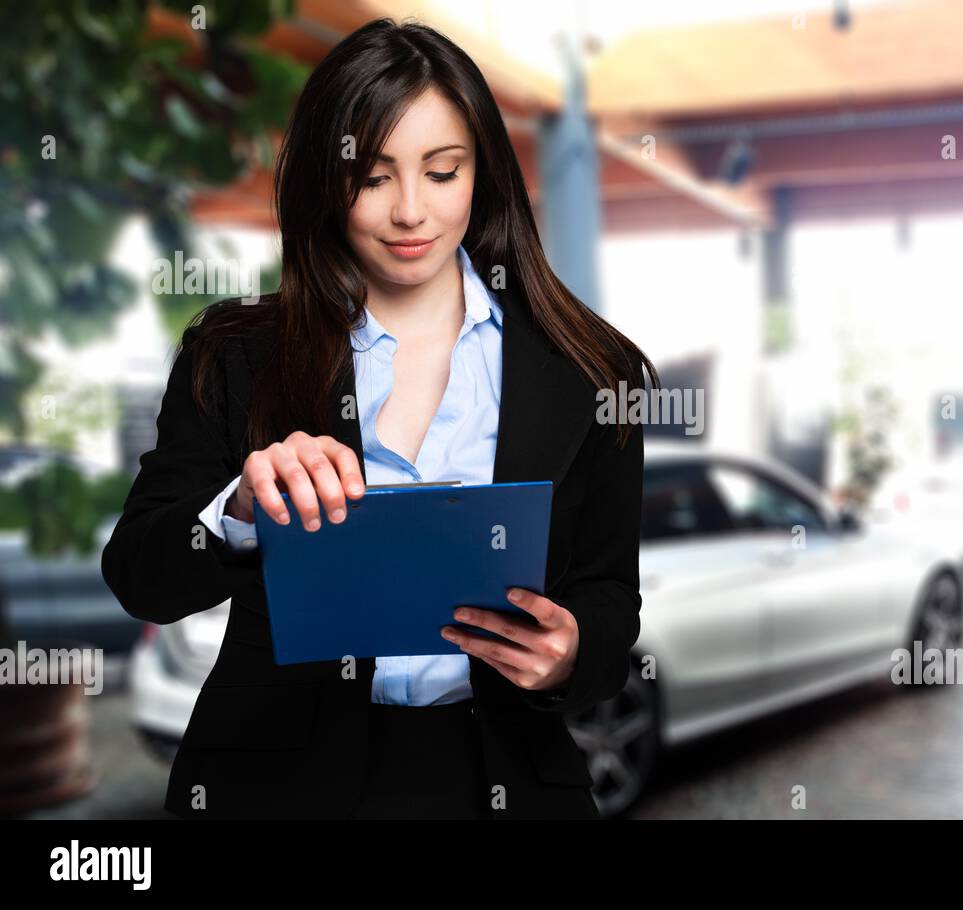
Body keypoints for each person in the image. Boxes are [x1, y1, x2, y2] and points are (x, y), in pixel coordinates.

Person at [101, 17, 656, 820]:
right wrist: (240, 508)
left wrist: (570, 654)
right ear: (329, 181)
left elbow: (610, 604)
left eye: (441, 172)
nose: (409, 212)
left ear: (483, 174)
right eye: (373, 176)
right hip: (277, 784)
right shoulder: (236, 352)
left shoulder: (593, 371)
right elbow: (139, 575)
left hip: (502, 779)